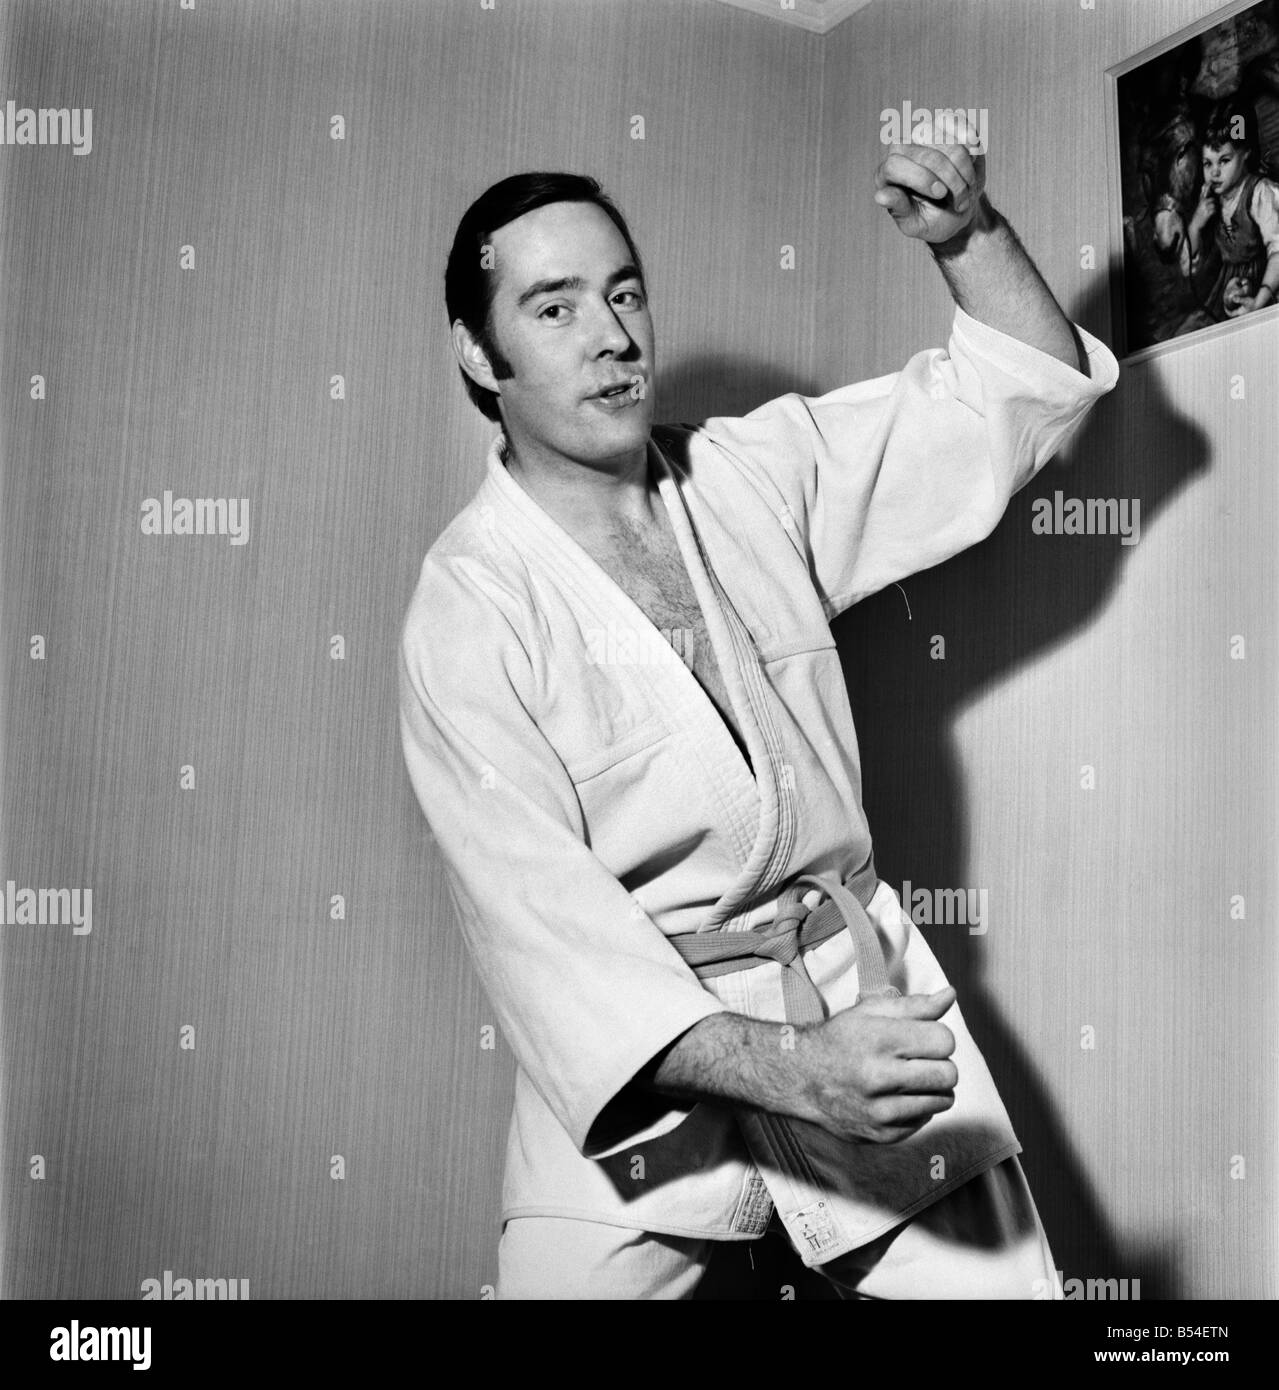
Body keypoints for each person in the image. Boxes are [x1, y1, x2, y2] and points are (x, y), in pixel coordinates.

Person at [397, 121, 1119, 1299]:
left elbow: (1018, 393)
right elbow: (543, 938)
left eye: (624, 293)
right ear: (479, 356)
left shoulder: (749, 476)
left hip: (855, 997)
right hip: (653, 1065)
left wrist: (968, 238)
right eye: (555, 308)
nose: (615, 337)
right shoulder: (471, 608)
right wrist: (788, 1072)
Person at [1186, 98, 1279, 320]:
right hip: (1224, 291)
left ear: (1245, 153)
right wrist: (1196, 225)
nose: (1214, 172)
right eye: (1208, 163)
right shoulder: (1209, 200)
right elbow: (1188, 269)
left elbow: (1278, 252)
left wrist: (1259, 301)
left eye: (1224, 160)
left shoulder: (1260, 193)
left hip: (1267, 287)